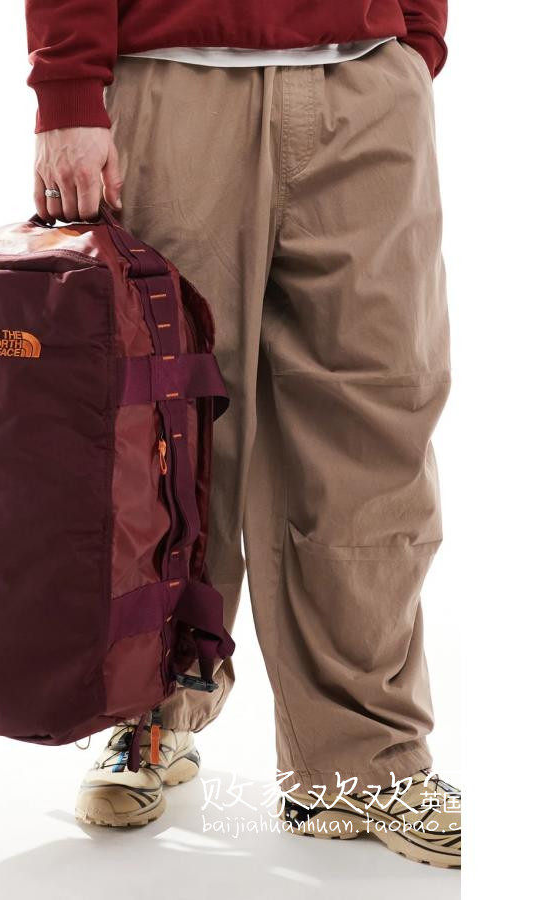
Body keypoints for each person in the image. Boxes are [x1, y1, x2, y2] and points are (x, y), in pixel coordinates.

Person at [24, 0, 460, 868]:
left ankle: (359, 761)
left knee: (375, 422)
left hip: (364, 75)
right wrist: (68, 89)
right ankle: (149, 716)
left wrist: (414, 42)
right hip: (175, 78)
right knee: (161, 429)